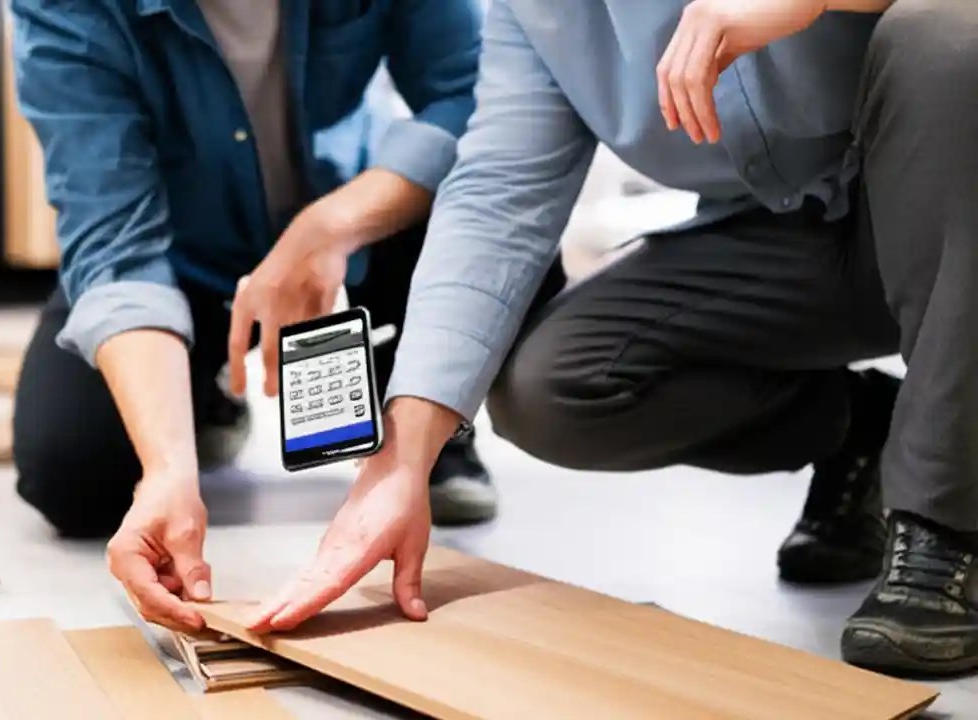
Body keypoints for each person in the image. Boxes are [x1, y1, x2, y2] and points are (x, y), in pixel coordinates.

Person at [246, 0, 978, 677]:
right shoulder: (538, 15)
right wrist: (405, 459)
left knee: (949, 31)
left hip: (947, 215)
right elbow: (500, 194)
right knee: (554, 387)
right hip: (792, 242)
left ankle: (947, 519)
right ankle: (869, 431)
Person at [8, 0, 497, 626]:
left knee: (475, 209)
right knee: (71, 475)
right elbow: (112, 238)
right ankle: (206, 403)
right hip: (182, 258)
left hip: (362, 227)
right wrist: (166, 467)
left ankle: (426, 427)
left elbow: (483, 103)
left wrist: (332, 226)